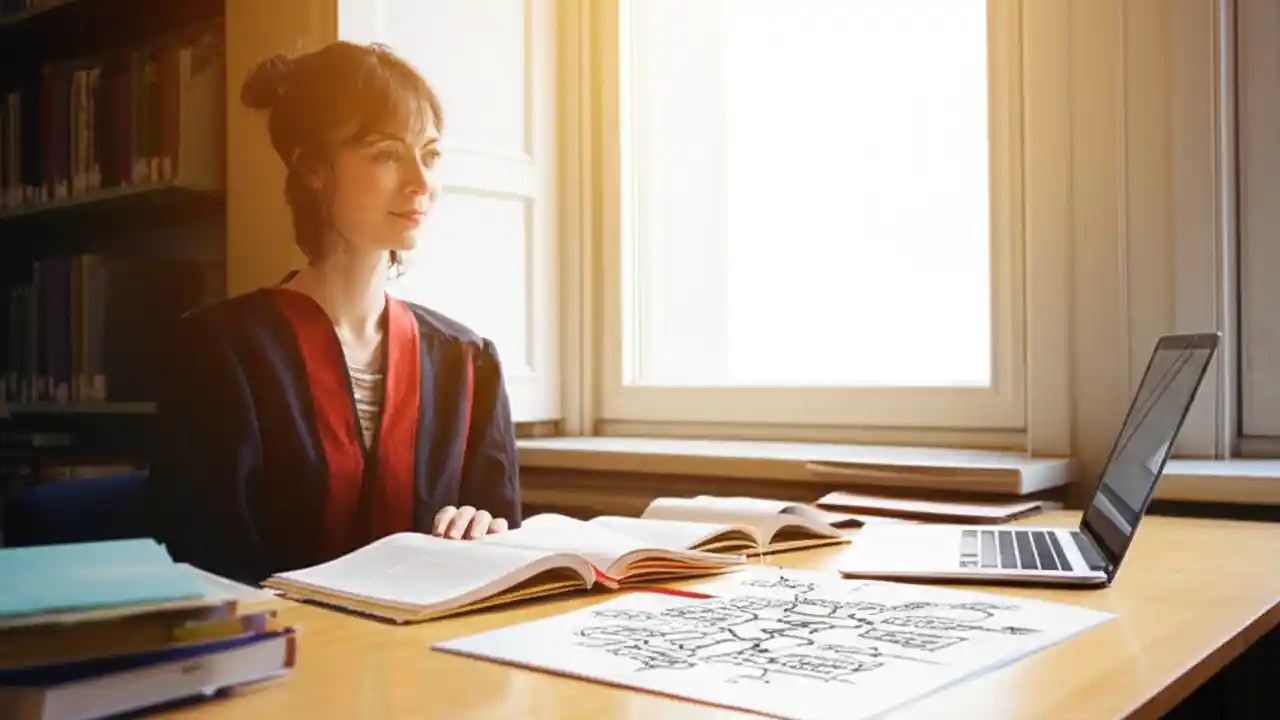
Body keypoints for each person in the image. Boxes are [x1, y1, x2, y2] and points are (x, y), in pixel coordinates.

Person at [147, 42, 520, 584]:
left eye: (430, 154)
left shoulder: (467, 362)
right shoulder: (221, 352)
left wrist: (484, 535)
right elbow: (208, 566)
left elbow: (507, 553)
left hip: (436, 660)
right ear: (312, 167)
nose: (420, 181)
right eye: (386, 154)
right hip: (283, 658)